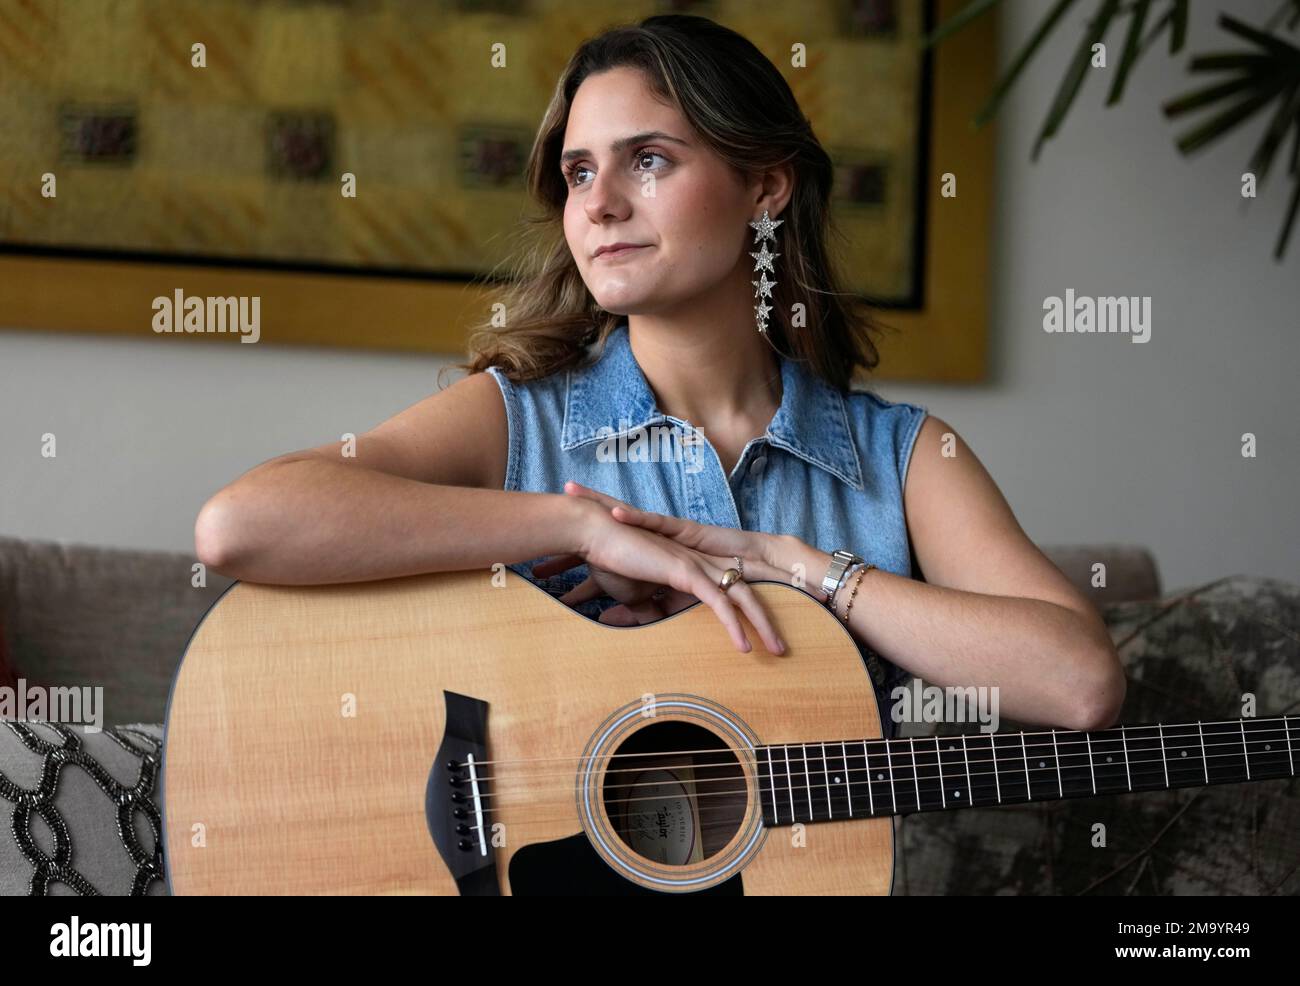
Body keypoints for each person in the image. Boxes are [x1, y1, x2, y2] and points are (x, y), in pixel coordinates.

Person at [194, 14, 1125, 735]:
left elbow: (1080, 685)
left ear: (766, 185)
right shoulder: (517, 423)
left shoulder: (907, 457)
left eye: (647, 160)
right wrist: (578, 525)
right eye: (577, 171)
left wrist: (800, 567)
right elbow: (242, 524)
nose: (598, 204)